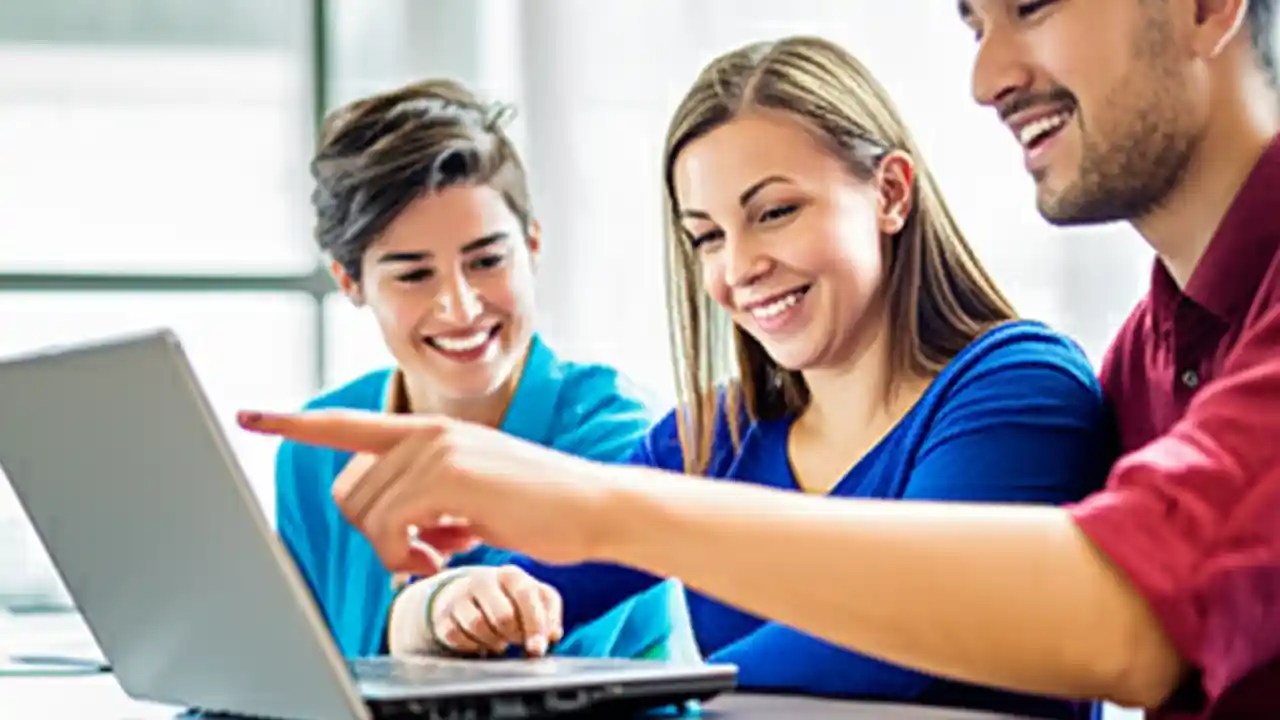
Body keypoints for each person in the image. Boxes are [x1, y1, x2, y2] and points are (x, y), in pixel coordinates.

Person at [246, 0, 1280, 714]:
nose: (738, 268)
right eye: (703, 236)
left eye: (774, 212)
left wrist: (618, 539)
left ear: (888, 194)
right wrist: (446, 603)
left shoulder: (1016, 386)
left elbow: (947, 633)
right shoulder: (724, 435)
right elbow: (493, 594)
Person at [276, 78, 655, 659]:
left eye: (486, 261)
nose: (460, 306)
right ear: (349, 281)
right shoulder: (315, 447)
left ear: (531, 245)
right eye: (413, 274)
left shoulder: (619, 431)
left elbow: (531, 641)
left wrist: (435, 609)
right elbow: (298, 673)